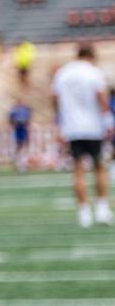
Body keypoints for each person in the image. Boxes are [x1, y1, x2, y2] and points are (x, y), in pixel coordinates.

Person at [51, 43, 112, 226]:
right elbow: (101, 97)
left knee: (78, 170)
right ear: (91, 56)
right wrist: (108, 120)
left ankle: (83, 213)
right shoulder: (93, 72)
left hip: (72, 127)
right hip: (93, 127)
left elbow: (54, 98)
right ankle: (101, 210)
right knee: (99, 167)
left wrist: (60, 122)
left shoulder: (63, 73)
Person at [9, 101, 32, 173]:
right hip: (18, 130)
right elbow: (11, 120)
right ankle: (18, 163)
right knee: (19, 146)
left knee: (23, 146)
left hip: (22, 129)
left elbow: (27, 119)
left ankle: (22, 163)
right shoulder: (14, 111)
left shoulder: (24, 110)